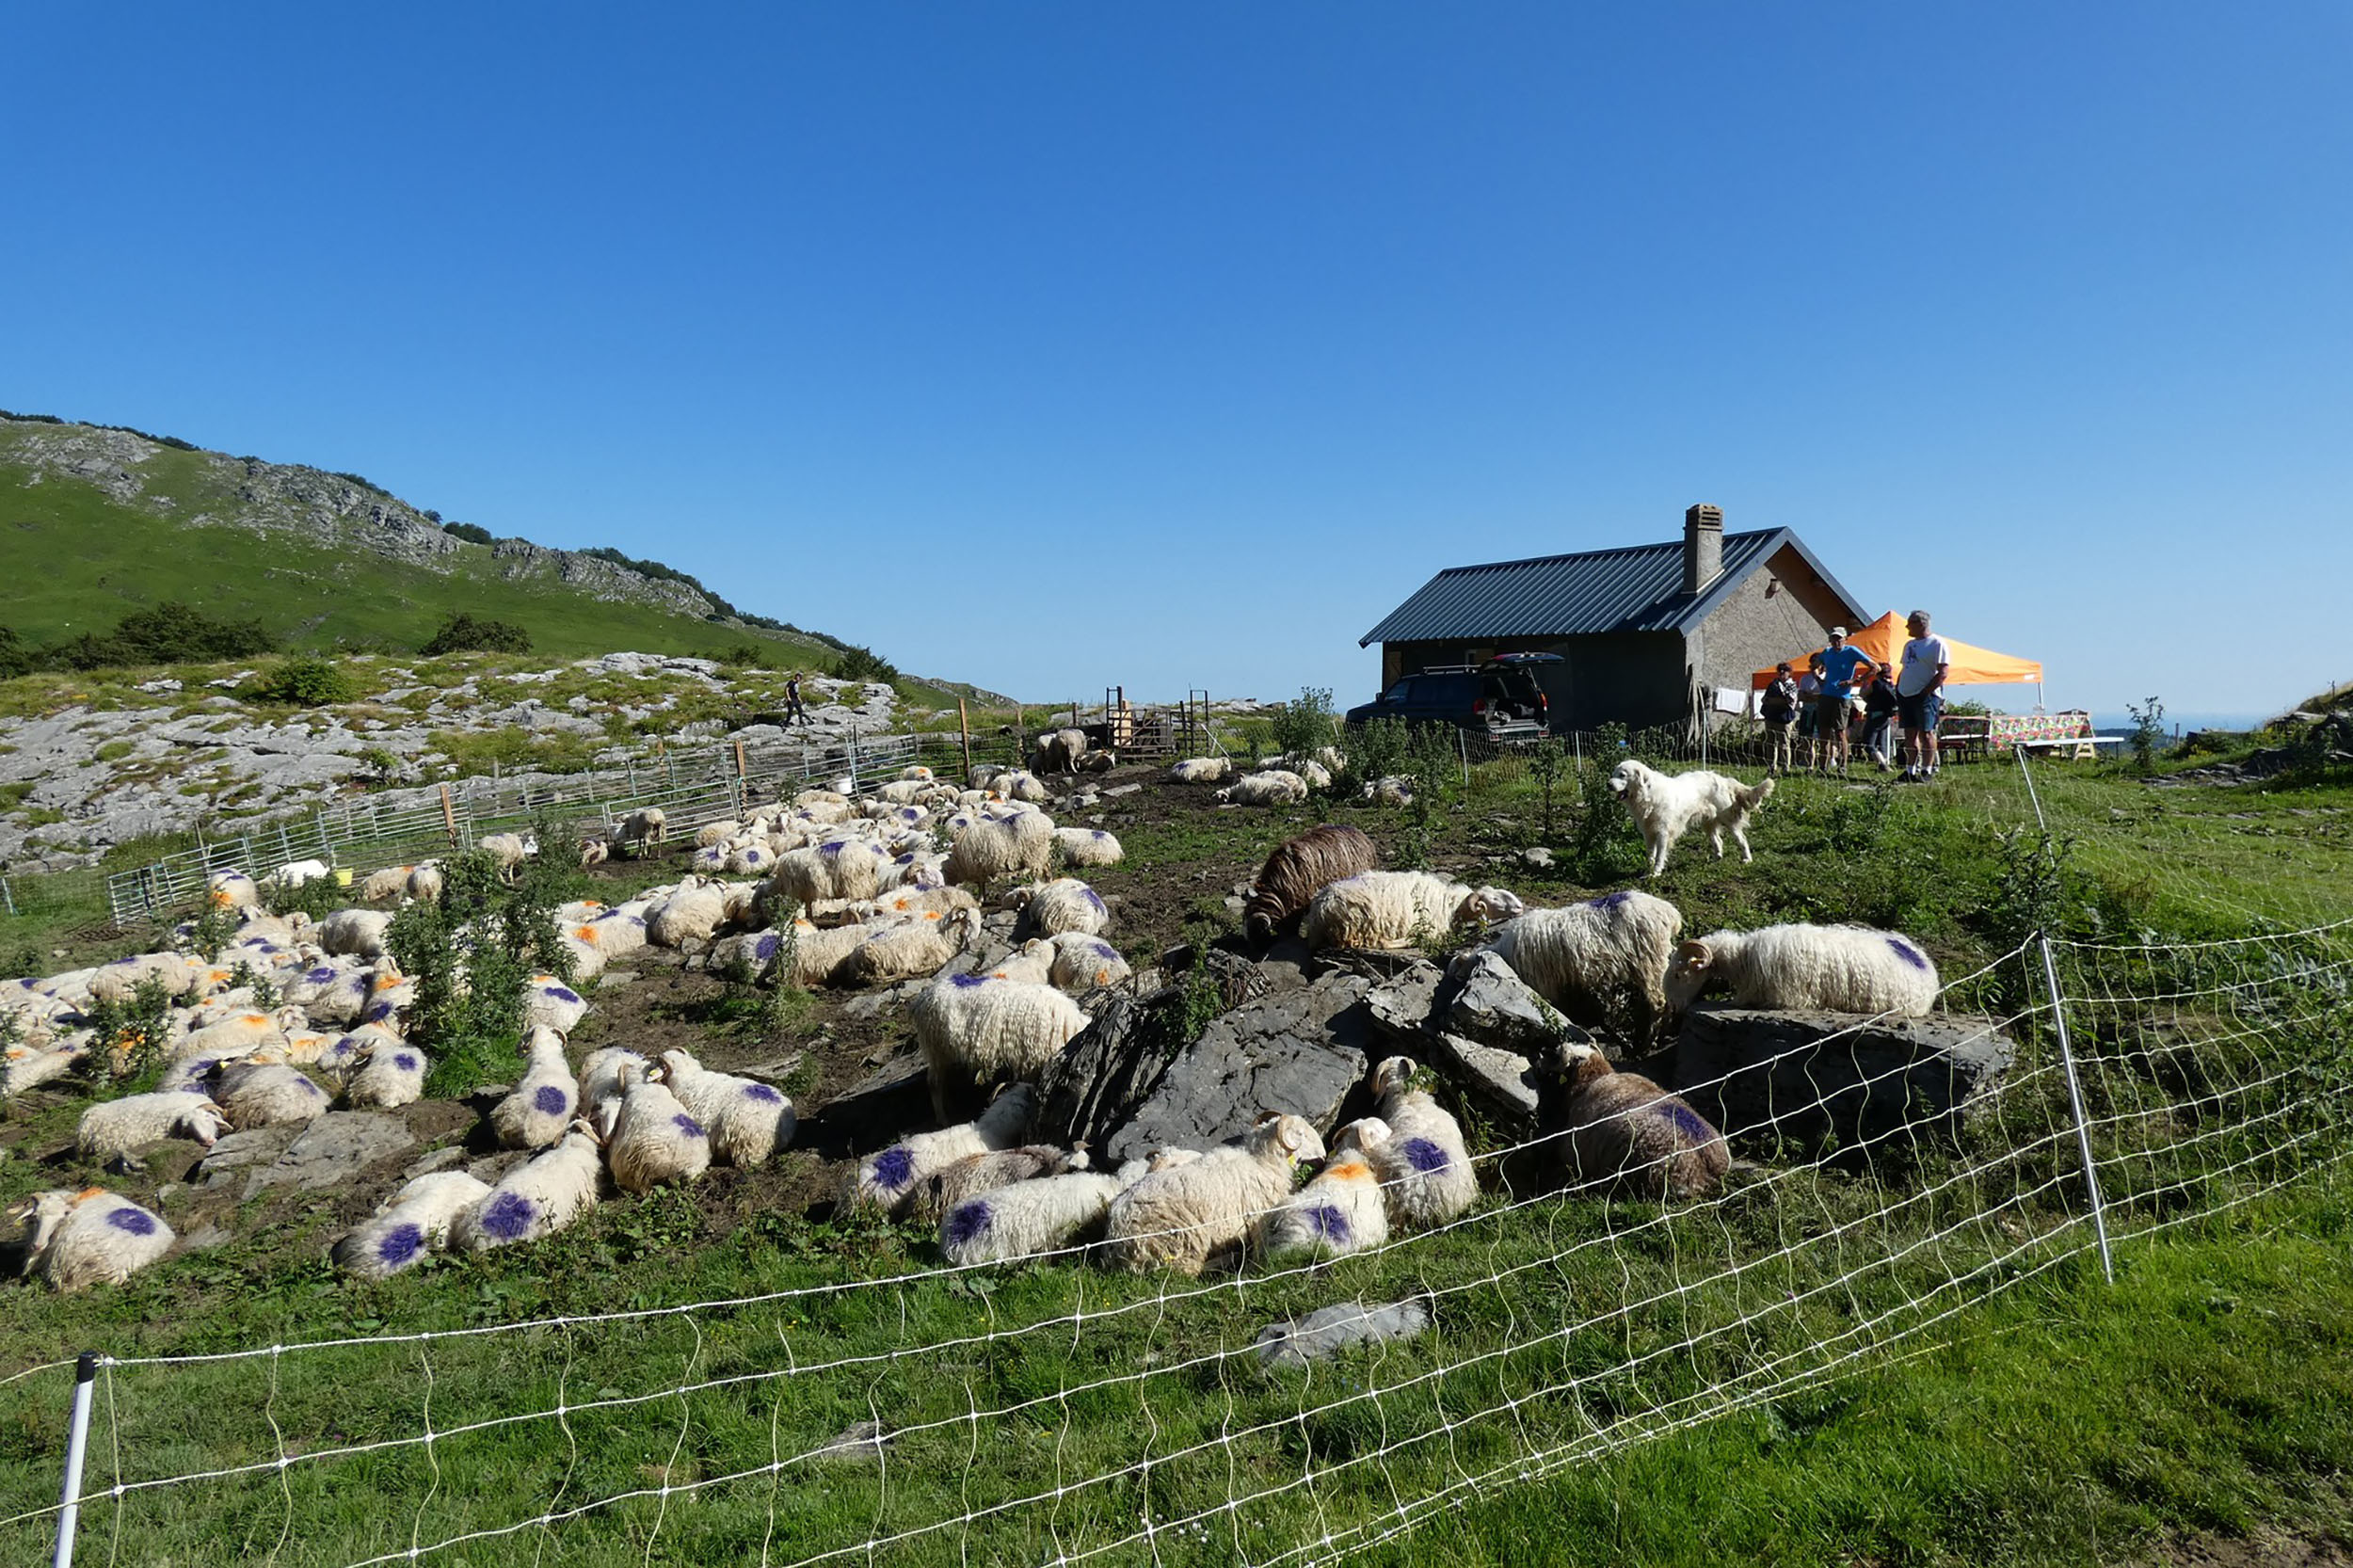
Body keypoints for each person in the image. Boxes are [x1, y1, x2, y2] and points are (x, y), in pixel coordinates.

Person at [1808, 626, 1873, 776]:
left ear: (1845, 639)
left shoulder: (1852, 651)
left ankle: (1842, 766)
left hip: (1842, 697)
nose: (1836, 641)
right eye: (1833, 638)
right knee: (1824, 732)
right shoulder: (1827, 652)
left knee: (1840, 732)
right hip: (1826, 695)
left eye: (1839, 638)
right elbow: (1813, 666)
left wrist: (1855, 680)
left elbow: (1874, 667)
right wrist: (1818, 679)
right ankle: (1823, 766)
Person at [1897, 609, 1951, 779]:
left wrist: (1925, 692)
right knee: (1909, 733)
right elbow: (1905, 668)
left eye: (1910, 623)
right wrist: (1898, 687)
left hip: (1925, 695)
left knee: (1926, 733)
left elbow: (1943, 672)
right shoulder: (1909, 645)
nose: (1907, 627)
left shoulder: (1937, 643)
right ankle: (1909, 769)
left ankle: (1927, 769)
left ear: (1921, 624)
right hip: (1905, 694)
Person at [1760, 662, 1801, 776]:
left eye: (1785, 670)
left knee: (1784, 744)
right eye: (1780, 670)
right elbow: (1765, 699)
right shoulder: (1773, 684)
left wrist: (1774, 701)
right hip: (1771, 716)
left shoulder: (1792, 685)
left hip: (1784, 718)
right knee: (1770, 743)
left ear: (1789, 672)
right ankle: (1771, 767)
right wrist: (1775, 701)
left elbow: (1789, 701)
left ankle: (1785, 768)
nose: (1782, 672)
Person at [1861, 662, 1900, 771]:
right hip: (1887, 716)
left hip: (1874, 714)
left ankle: (1882, 764)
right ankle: (1884, 763)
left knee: (1868, 744)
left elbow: (1863, 694)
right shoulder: (1891, 685)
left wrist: (1863, 683)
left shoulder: (1876, 683)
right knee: (1882, 743)